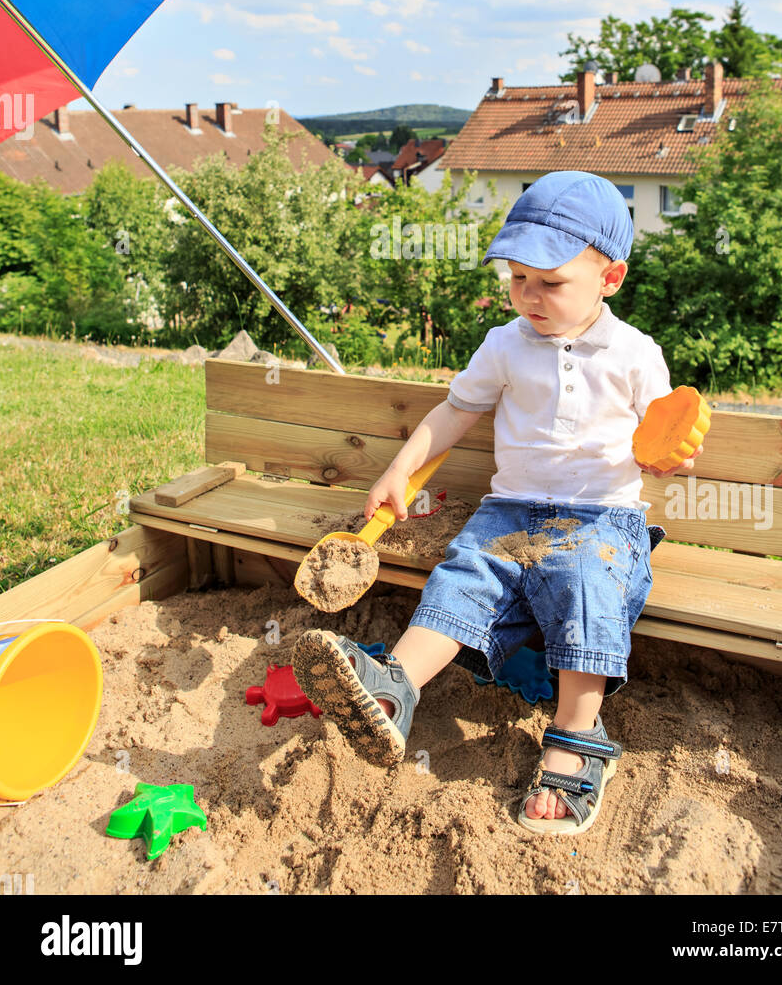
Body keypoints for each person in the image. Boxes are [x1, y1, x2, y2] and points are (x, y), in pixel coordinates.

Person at [292, 171, 703, 836]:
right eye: (518, 279)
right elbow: (457, 409)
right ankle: (395, 687)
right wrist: (403, 469)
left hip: (601, 516)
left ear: (610, 277)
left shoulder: (634, 355)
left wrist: (672, 454)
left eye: (550, 282)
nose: (529, 297)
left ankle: (575, 731)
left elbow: (662, 437)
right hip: (512, 510)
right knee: (466, 574)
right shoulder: (506, 343)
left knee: (585, 584)